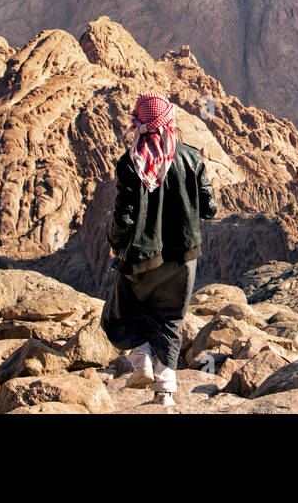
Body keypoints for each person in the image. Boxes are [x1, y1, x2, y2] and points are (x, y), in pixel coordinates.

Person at [101, 93, 218, 406]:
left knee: (118, 315)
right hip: (183, 259)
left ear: (139, 122)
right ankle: (165, 392)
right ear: (170, 122)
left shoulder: (131, 163)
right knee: (170, 320)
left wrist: (114, 243)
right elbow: (209, 208)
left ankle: (142, 358)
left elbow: (123, 217)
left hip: (141, 258)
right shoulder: (192, 158)